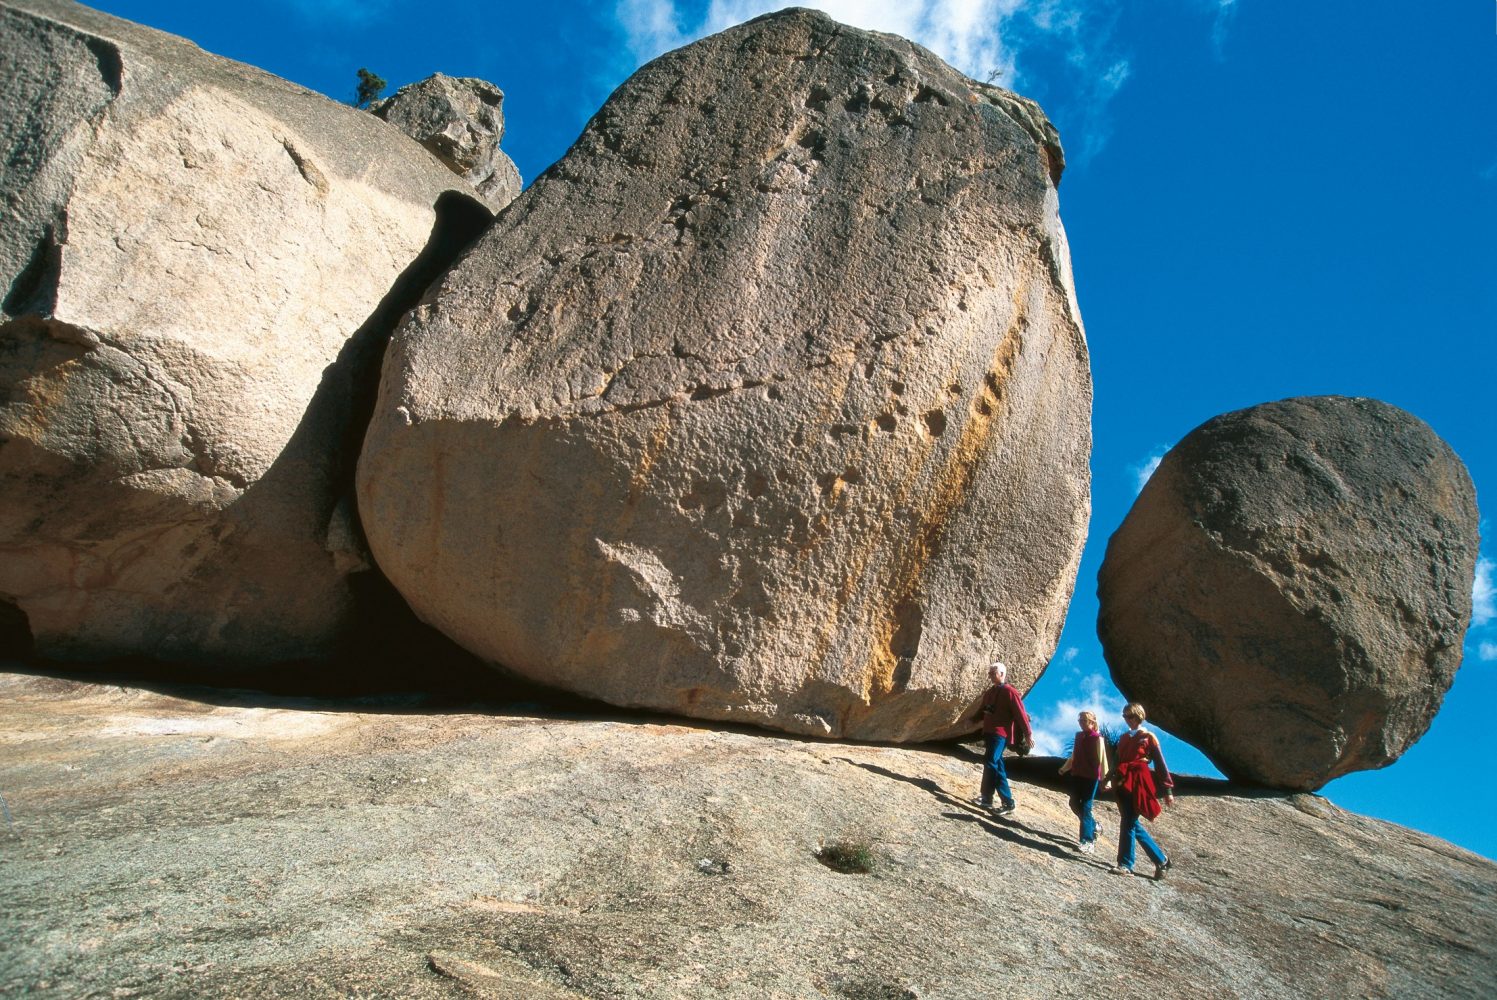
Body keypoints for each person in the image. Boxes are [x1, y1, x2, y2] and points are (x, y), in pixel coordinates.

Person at [1106, 702, 1174, 878]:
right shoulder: (1123, 738)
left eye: (1128, 716)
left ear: (1137, 717)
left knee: (1128, 822)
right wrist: (1106, 779)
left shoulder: (1148, 737)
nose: (1126, 719)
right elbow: (1116, 762)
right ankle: (1161, 860)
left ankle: (1125, 864)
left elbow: (1160, 764)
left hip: (1138, 781)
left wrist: (1167, 790)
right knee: (1131, 823)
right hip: (1122, 781)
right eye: (1124, 716)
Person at [964, 661, 1032, 815]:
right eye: (989, 673)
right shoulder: (989, 693)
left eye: (993, 672)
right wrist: (972, 721)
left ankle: (1000, 800)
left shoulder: (1010, 692)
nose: (990, 675)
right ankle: (991, 800)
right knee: (997, 765)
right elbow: (982, 711)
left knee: (991, 762)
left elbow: (1021, 714)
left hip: (1001, 734)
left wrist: (1028, 734)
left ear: (1002, 674)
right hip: (989, 733)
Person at [1059, 710, 1108, 853]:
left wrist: (1106, 780)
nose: (1081, 723)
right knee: (1073, 803)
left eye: (1084, 720)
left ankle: (1087, 841)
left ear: (1092, 723)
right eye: (1079, 720)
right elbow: (1074, 756)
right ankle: (1094, 826)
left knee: (1086, 807)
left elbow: (1103, 760)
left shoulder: (1097, 739)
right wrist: (1065, 768)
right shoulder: (1079, 736)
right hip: (1077, 774)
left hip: (1091, 777)